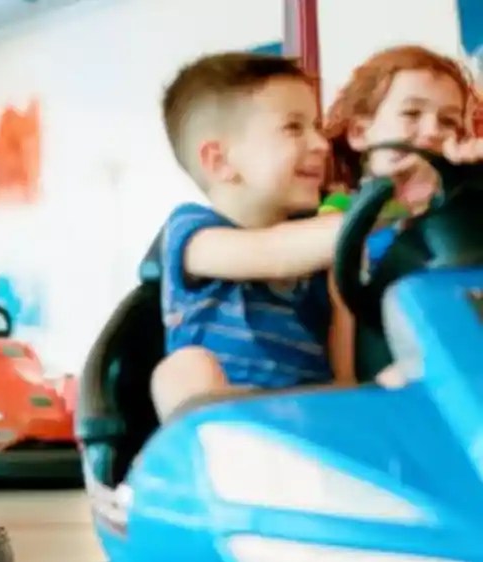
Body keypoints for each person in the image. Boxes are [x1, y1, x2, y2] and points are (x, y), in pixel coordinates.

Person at [149, 51, 453, 421]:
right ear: (219, 161)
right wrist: (395, 204)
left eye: (316, 127)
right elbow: (271, 253)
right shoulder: (193, 236)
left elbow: (342, 375)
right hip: (225, 436)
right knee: (183, 370)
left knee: (406, 375)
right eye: (294, 127)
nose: (321, 143)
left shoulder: (325, 265)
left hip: (306, 422)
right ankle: (226, 429)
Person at [320, 45, 483, 265]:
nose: (432, 131)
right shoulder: (341, 205)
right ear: (359, 132)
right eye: (412, 113)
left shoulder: (458, 206)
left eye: (448, 121)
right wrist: (409, 205)